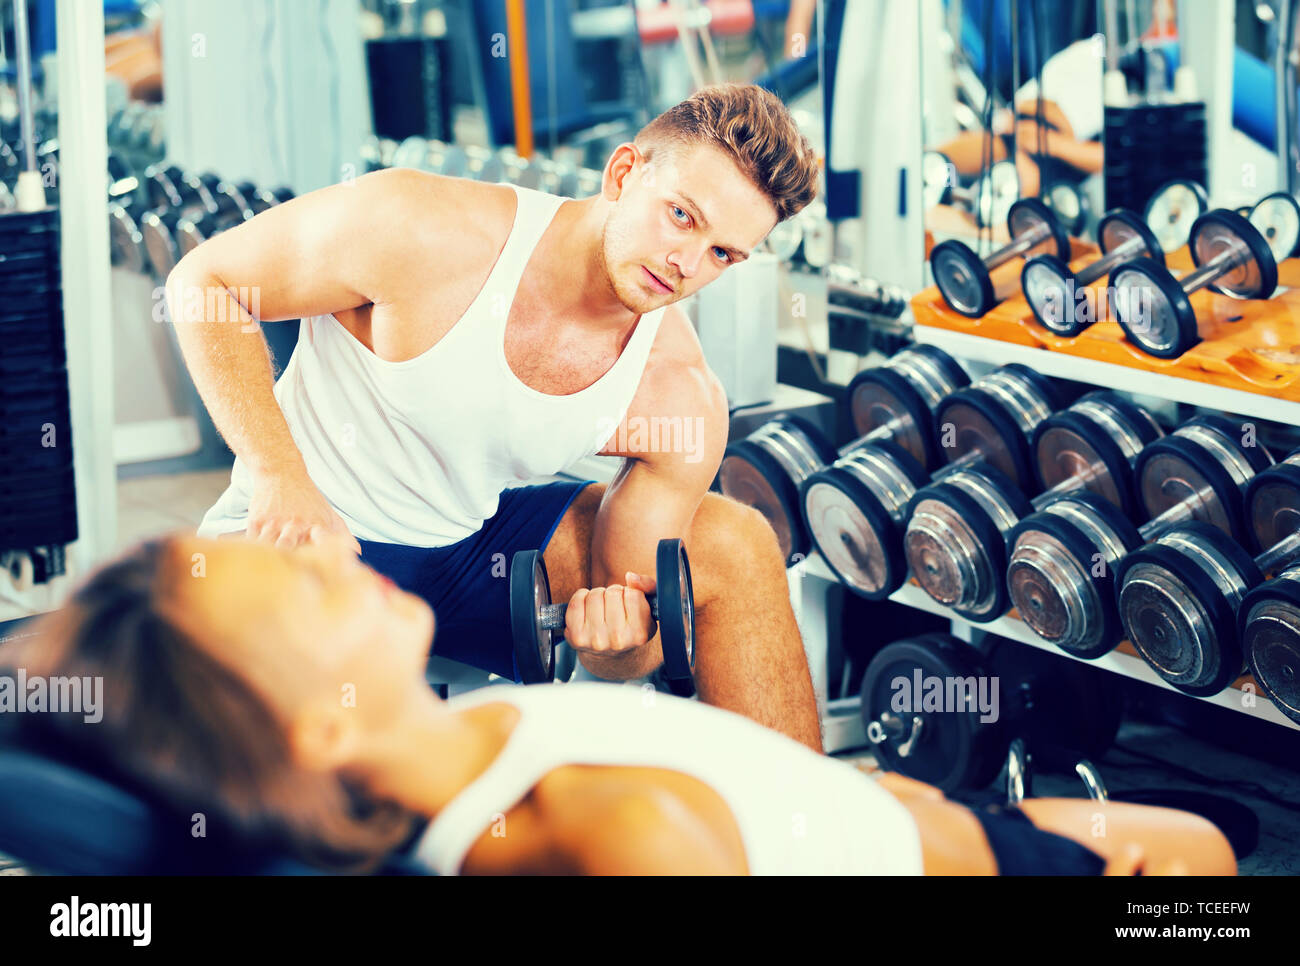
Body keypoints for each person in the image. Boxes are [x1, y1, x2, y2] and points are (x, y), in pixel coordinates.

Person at [168, 84, 822, 748]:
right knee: (291, 774)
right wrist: (279, 474)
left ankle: (810, 835)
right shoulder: (423, 227)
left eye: (723, 254)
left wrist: (620, 641)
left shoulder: (675, 389)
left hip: (472, 561)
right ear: (623, 174)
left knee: (734, 544)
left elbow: (618, 640)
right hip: (306, 541)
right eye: (681, 215)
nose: (687, 265)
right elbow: (206, 285)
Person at [10, 533, 1238, 876]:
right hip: (991, 862)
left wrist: (614, 681)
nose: (343, 560)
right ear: (317, 730)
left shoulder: (465, 746)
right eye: (307, 593)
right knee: (1195, 862)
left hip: (900, 815)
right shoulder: (605, 835)